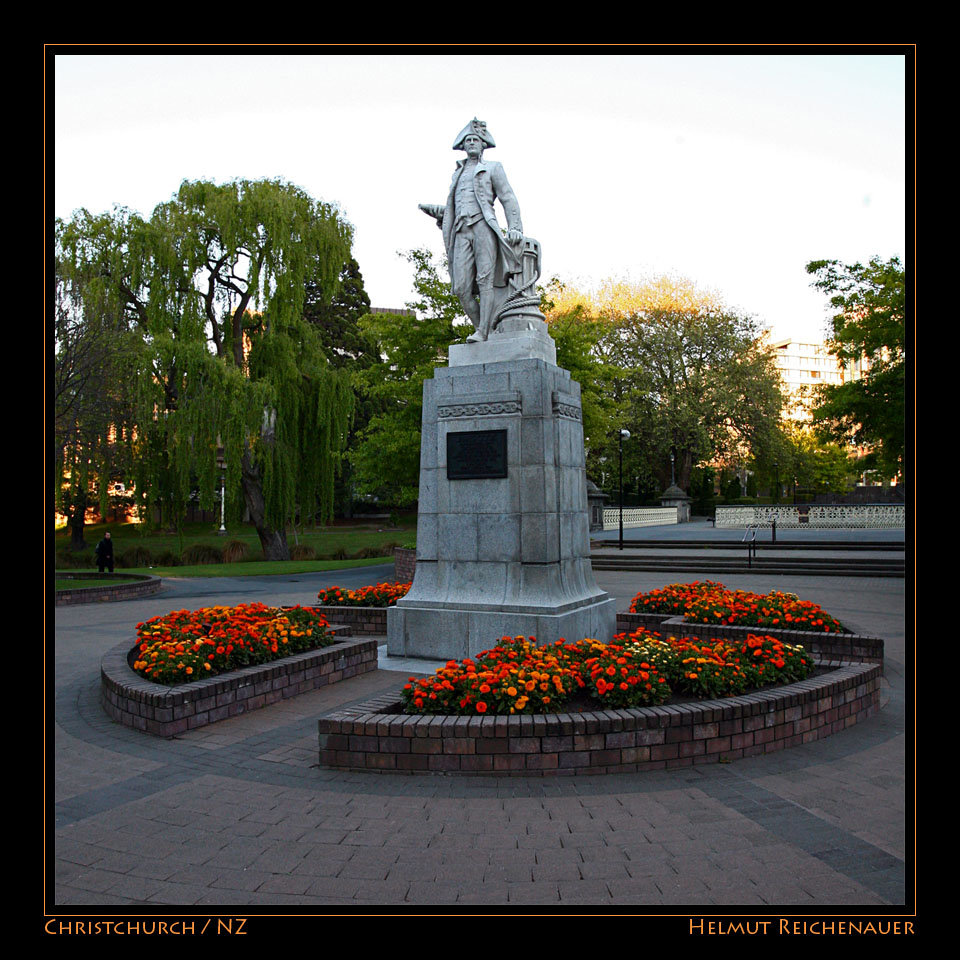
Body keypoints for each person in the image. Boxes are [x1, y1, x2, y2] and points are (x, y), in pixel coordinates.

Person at [420, 118, 524, 342]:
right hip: (460, 231)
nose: (472, 143)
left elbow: (507, 198)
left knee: (485, 280)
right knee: (460, 288)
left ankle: (483, 332)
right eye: (468, 141)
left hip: (483, 227)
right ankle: (486, 328)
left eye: (475, 140)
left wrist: (515, 227)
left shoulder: (493, 168)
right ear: (463, 146)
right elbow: (456, 205)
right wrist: (441, 214)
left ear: (483, 144)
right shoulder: (457, 173)